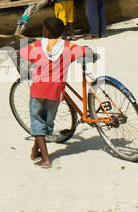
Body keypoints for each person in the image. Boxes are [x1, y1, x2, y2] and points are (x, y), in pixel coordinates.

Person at [16, 17, 89, 169]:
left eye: (43, 29)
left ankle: (46, 158)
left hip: (38, 91)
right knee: (47, 121)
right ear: (62, 32)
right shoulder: (68, 47)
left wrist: (23, 69)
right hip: (56, 93)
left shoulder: (37, 46)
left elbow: (20, 54)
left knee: (37, 121)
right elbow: (84, 50)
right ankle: (35, 150)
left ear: (46, 33)